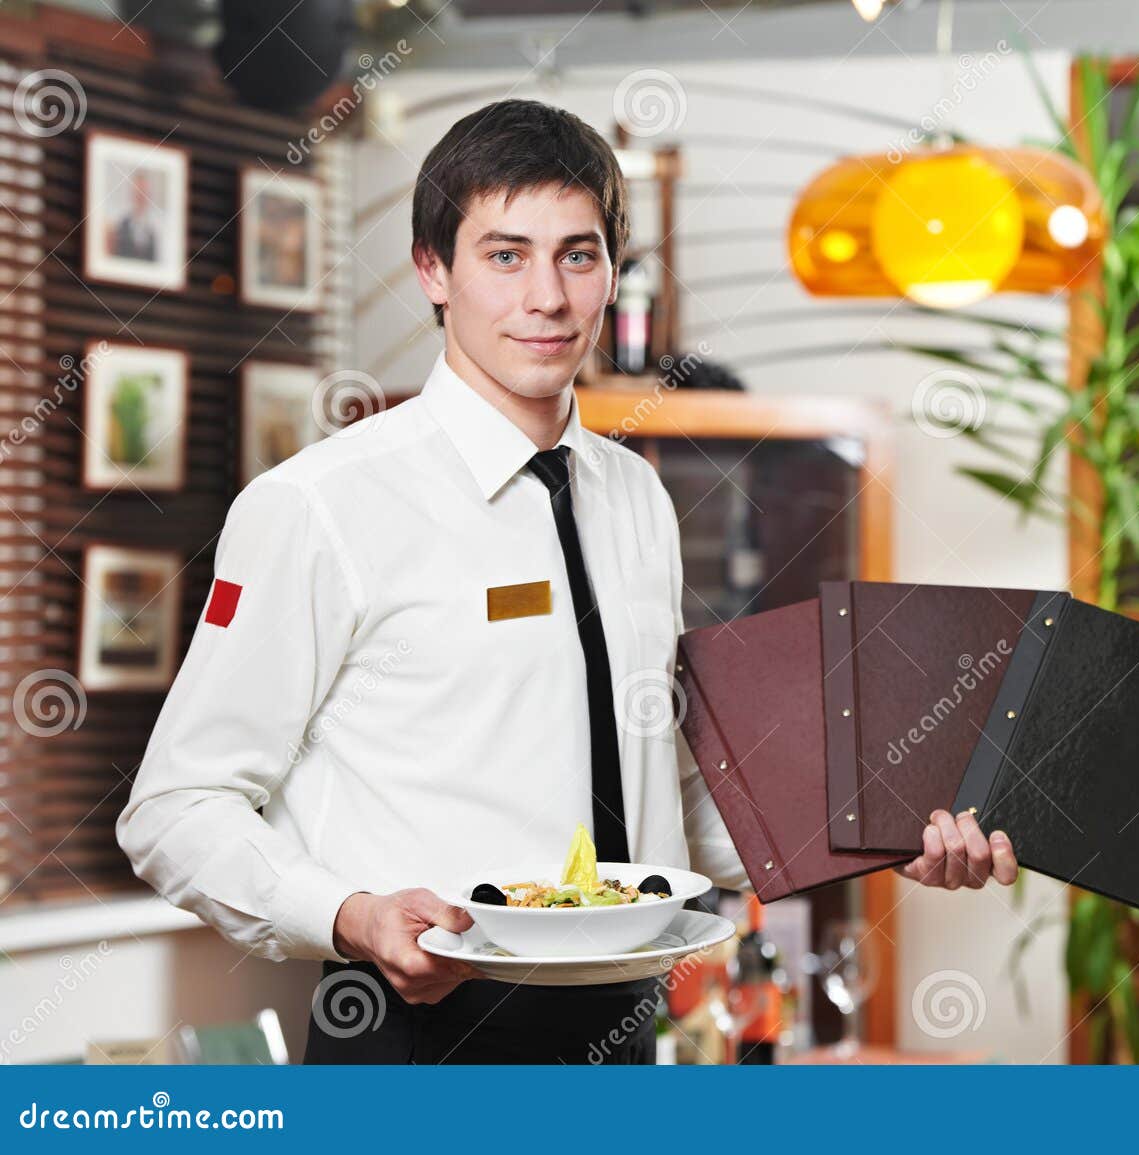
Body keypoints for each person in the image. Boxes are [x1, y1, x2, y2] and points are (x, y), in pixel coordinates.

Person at [116, 98, 1019, 1065]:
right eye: (505, 255)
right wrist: (350, 915)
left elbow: (664, 795)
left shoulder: (635, 497)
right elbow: (175, 808)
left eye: (577, 256)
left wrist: (886, 838)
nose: (545, 297)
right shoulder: (319, 506)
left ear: (610, 274)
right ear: (434, 270)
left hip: (627, 1031)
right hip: (415, 1033)